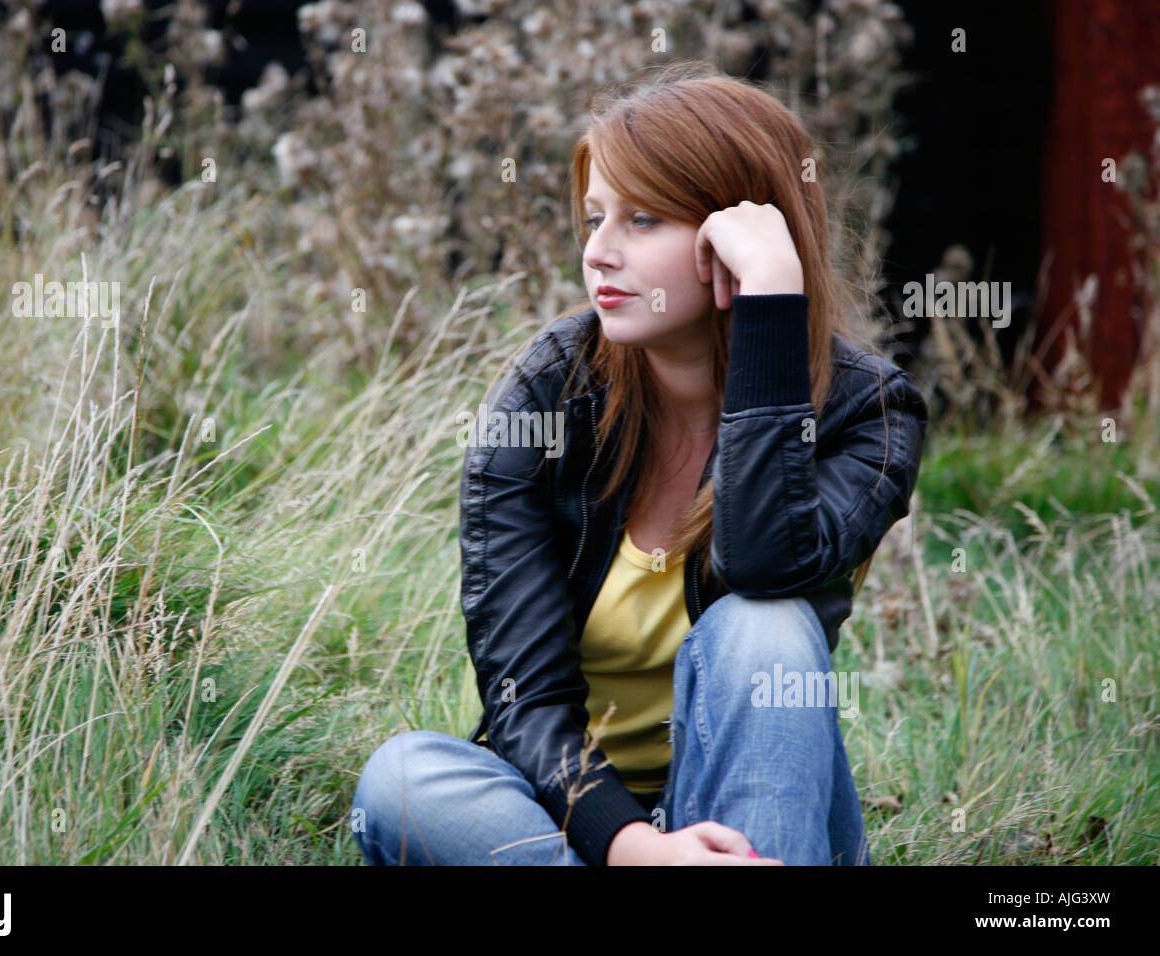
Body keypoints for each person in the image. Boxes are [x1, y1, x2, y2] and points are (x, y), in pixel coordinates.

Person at [351, 64, 928, 866]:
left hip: (758, 812)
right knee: (403, 781)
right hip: (578, 825)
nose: (599, 253)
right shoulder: (542, 400)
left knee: (764, 624)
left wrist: (769, 306)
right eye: (595, 219)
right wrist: (631, 847)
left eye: (645, 219)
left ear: (738, 235)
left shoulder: (866, 415)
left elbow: (764, 566)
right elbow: (526, 699)